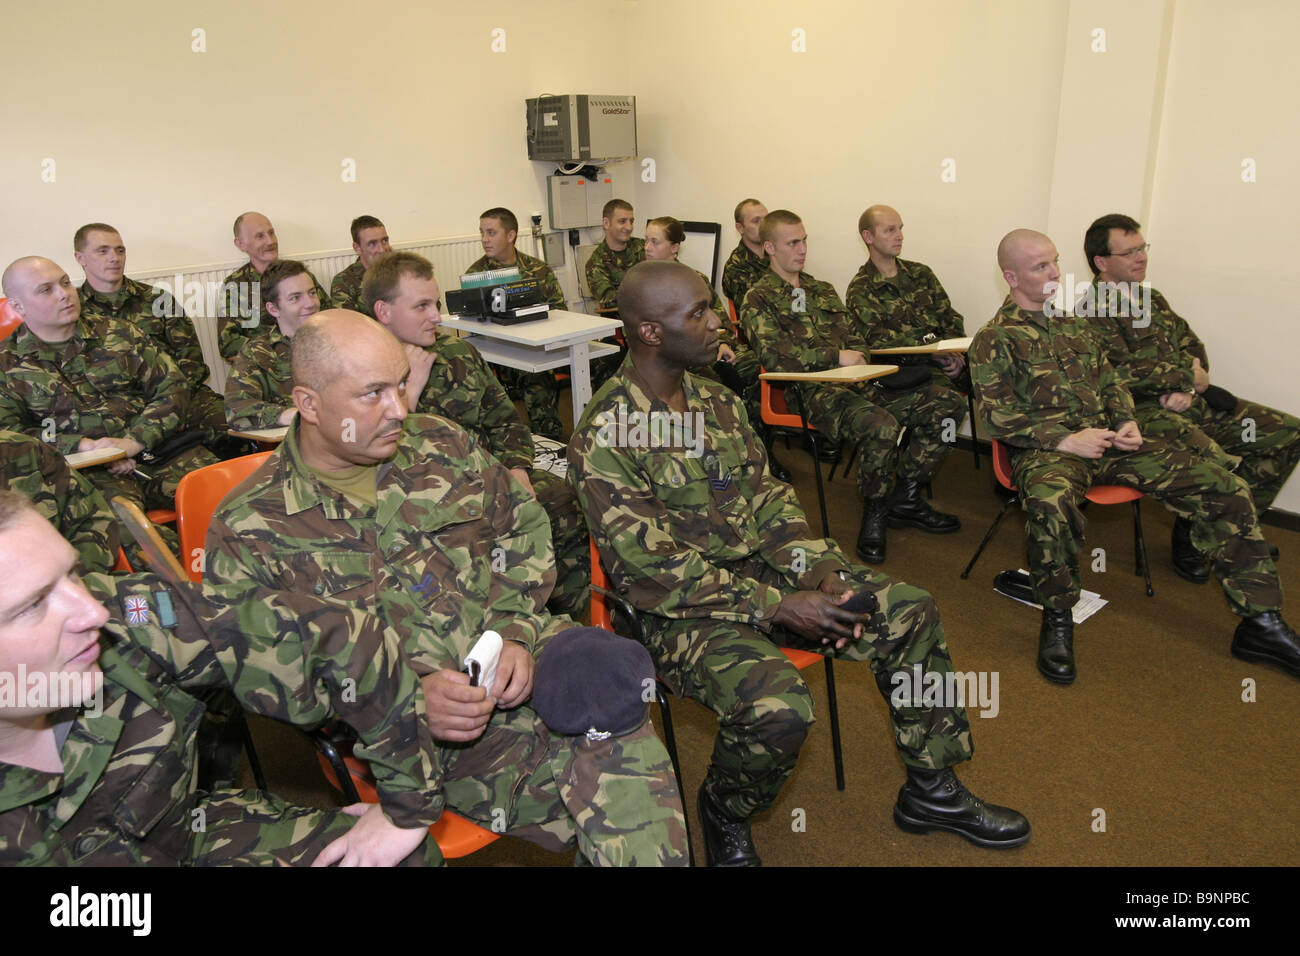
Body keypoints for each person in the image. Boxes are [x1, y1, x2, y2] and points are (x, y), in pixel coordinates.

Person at [569, 260, 1029, 866]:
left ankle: (931, 788)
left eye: (713, 308)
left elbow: (771, 503)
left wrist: (821, 574)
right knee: (778, 706)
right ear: (651, 332)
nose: (718, 325)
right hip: (675, 613)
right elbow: (651, 574)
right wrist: (779, 605)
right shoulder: (608, 432)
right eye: (699, 314)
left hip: (762, 571)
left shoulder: (717, 402)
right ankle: (725, 809)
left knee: (909, 611)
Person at [205, 311, 687, 865]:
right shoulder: (248, 529)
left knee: (625, 755)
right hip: (421, 744)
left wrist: (513, 630)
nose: (400, 408)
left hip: (531, 665)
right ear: (309, 404)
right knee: (625, 821)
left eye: (402, 382)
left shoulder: (441, 444)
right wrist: (405, 701)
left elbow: (522, 530)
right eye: (373, 394)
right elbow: (264, 679)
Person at [0, 490, 442, 865]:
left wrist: (407, 808)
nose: (91, 611)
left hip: (182, 841)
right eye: (32, 605)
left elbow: (343, 638)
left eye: (73, 573)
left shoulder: (122, 619)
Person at [969, 229, 1299, 683]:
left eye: (1054, 261)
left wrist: (1127, 421)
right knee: (1051, 503)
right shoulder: (994, 338)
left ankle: (1261, 623)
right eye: (1039, 266)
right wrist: (1064, 440)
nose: (1054, 272)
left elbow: (1112, 385)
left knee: (1224, 484)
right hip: (1049, 453)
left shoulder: (1074, 326)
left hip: (1109, 444)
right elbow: (994, 417)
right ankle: (1058, 616)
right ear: (1010, 276)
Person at [364, 251, 590, 620]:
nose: (436, 316)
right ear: (384, 312)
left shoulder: (457, 353)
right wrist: (410, 394)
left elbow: (505, 421)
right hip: (419, 502)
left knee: (565, 501)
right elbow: (370, 464)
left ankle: (553, 620)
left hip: (487, 478)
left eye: (435, 303)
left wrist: (517, 470)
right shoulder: (361, 372)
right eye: (421, 306)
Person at [1080, 213, 1299, 578]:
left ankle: (1231, 531)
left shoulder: (1154, 299)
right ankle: (1202, 534)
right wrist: (1181, 376)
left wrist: (1185, 385)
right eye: (1130, 251)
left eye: (1143, 248)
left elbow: (1193, 347)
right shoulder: (1090, 310)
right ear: (1102, 262)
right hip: (1141, 413)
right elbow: (1118, 374)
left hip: (1187, 401)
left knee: (1287, 434)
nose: (1141, 257)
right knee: (1216, 466)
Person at [740, 210, 963, 564]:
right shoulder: (759, 298)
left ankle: (905, 496)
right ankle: (875, 511)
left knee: (946, 405)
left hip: (860, 382)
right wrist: (835, 356)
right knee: (881, 426)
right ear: (769, 247)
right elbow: (775, 356)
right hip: (810, 392)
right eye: (792, 243)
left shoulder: (821, 290)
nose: (802, 249)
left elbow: (859, 339)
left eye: (804, 240)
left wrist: (855, 354)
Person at [0, 256, 217, 512]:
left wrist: (134, 441)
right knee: (132, 538)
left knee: (234, 505)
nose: (64, 294)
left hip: (160, 452)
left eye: (66, 282)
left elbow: (173, 387)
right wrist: (83, 446)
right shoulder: (7, 365)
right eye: (46, 290)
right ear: (18, 305)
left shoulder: (121, 333)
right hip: (84, 474)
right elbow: (11, 435)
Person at [643, 215, 789, 481]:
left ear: (674, 247)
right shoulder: (642, 284)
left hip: (706, 349)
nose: (647, 247)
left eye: (655, 241)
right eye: (646, 241)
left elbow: (720, 320)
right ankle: (709, 460)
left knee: (753, 371)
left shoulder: (694, 279)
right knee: (712, 387)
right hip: (670, 358)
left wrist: (723, 342)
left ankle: (759, 451)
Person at [73, 223, 229, 444]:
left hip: (177, 397)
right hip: (116, 411)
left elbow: (191, 361)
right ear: (80, 258)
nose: (115, 257)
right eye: (103, 251)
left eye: (120, 250)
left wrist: (170, 406)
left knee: (231, 423)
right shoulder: (72, 312)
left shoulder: (157, 300)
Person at [464, 207, 566, 439]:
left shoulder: (538, 271)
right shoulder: (476, 275)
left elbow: (560, 312)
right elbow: (471, 326)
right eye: (482, 233)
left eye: (491, 233)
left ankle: (550, 442)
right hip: (494, 353)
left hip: (535, 349)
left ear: (510, 236)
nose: (484, 240)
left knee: (538, 381)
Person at [845, 205, 969, 392]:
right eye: (890, 230)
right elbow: (877, 340)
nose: (900, 236)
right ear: (868, 237)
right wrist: (932, 351)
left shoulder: (921, 273)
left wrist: (955, 353)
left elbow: (949, 317)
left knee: (999, 378)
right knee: (946, 399)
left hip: (949, 360)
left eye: (900, 228)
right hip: (909, 371)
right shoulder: (861, 289)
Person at [0, 428, 119, 574]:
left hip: (78, 579)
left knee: (150, 591)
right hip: (17, 592)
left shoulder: (23, 450)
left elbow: (93, 521)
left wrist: (70, 581)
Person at [215, 212, 331, 360]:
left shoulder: (297, 276)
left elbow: (329, 316)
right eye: (260, 236)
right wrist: (278, 350)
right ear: (240, 244)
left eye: (271, 233)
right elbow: (229, 345)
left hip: (313, 356)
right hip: (267, 366)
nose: (270, 241)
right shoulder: (238, 287)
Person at [224, 260, 322, 431]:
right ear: (273, 309)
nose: (310, 303)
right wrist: (291, 415)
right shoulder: (259, 353)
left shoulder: (339, 340)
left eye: (312, 293)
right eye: (295, 298)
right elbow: (236, 409)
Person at [584, 199, 644, 311]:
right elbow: (610, 299)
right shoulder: (596, 263)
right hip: (623, 322)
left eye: (631, 221)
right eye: (622, 221)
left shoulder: (643, 247)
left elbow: (669, 273)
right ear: (606, 223)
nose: (629, 227)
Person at [330, 215, 392, 315]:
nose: (382, 249)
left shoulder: (400, 272)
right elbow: (346, 323)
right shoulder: (344, 281)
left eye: (384, 241)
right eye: (372, 244)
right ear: (357, 248)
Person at [721, 198, 769, 308]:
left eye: (766, 220)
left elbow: (799, 292)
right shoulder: (736, 266)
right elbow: (757, 306)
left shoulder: (777, 254)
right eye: (756, 221)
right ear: (740, 228)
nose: (764, 226)